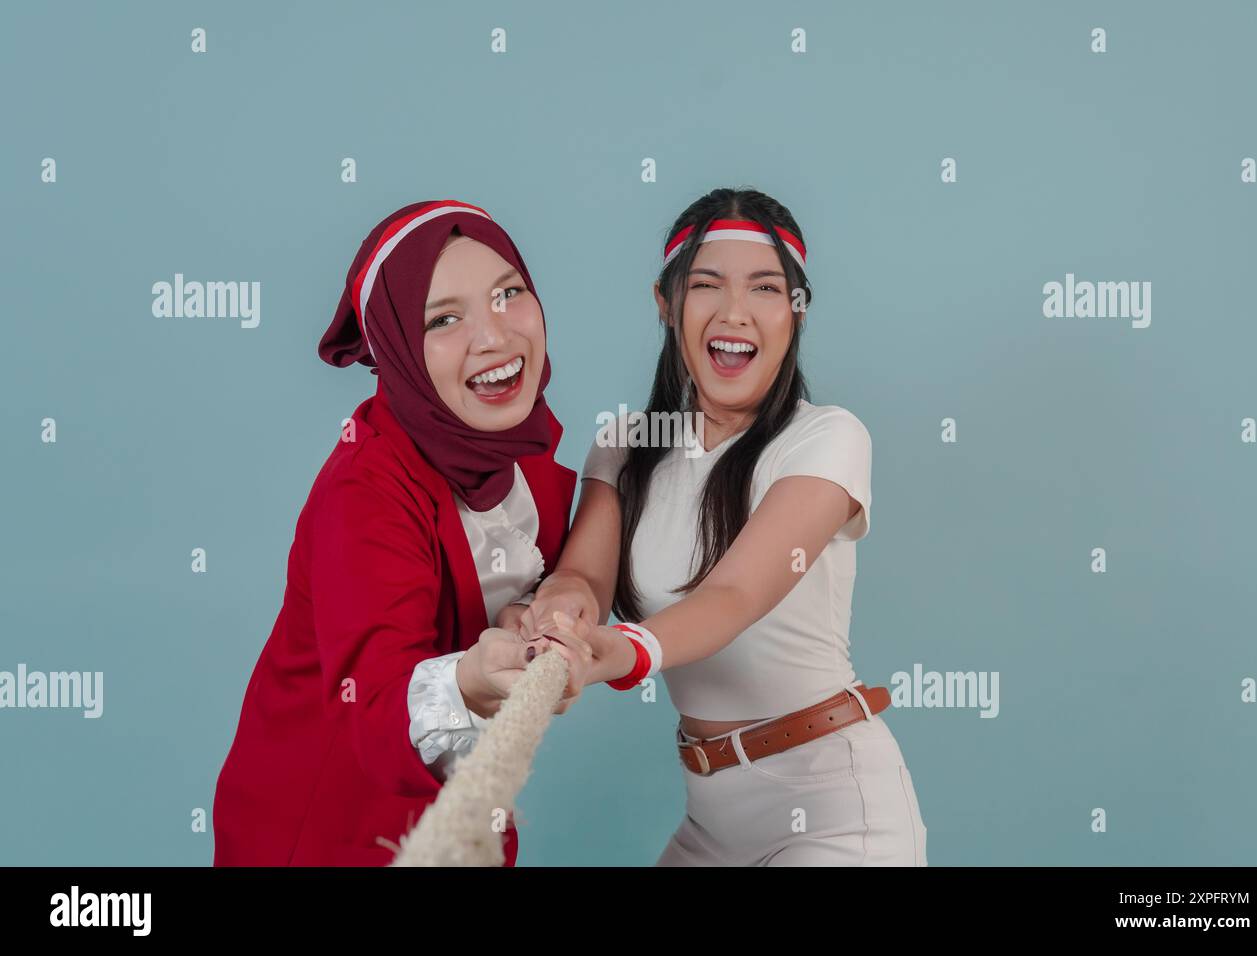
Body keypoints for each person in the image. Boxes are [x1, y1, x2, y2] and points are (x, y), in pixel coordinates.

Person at [523, 187, 929, 866]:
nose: (735, 312)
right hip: (712, 820)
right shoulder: (625, 445)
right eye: (706, 285)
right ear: (666, 302)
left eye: (767, 288)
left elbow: (734, 596)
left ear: (796, 312)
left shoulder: (826, 439)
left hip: (834, 811)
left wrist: (617, 654)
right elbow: (582, 575)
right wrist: (559, 617)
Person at [212, 200, 593, 866]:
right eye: (444, 319)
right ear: (394, 349)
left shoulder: (522, 446)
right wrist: (472, 677)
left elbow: (572, 552)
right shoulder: (365, 488)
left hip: (461, 809)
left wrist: (551, 597)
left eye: (509, 294)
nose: (494, 336)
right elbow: (376, 702)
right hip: (329, 825)